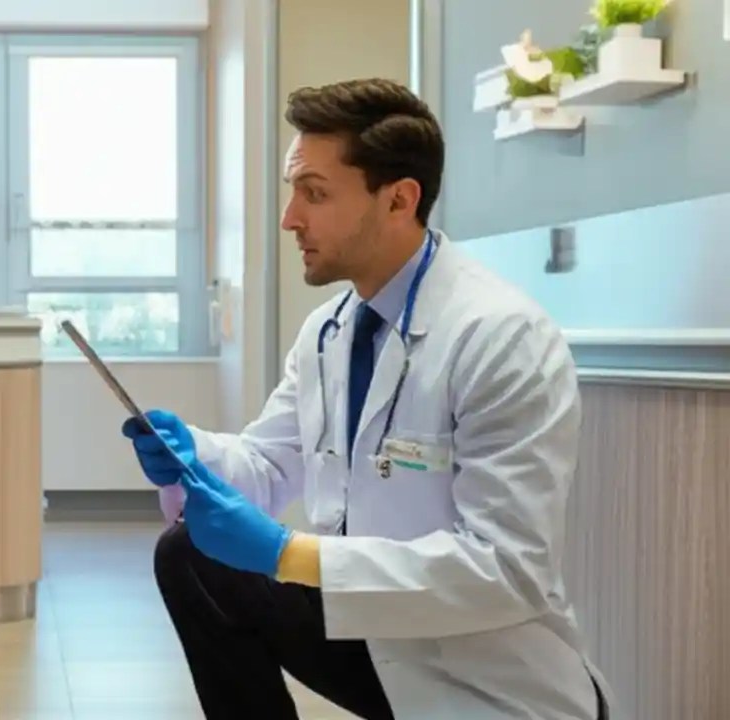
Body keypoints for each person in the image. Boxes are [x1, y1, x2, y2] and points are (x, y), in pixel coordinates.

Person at [122, 79, 612, 719]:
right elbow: (270, 465)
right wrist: (193, 457)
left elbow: (508, 568)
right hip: (375, 636)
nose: (289, 217)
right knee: (190, 556)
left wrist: (288, 555)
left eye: (315, 194)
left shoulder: (502, 338)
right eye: (293, 191)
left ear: (399, 200)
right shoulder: (330, 330)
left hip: (482, 675)